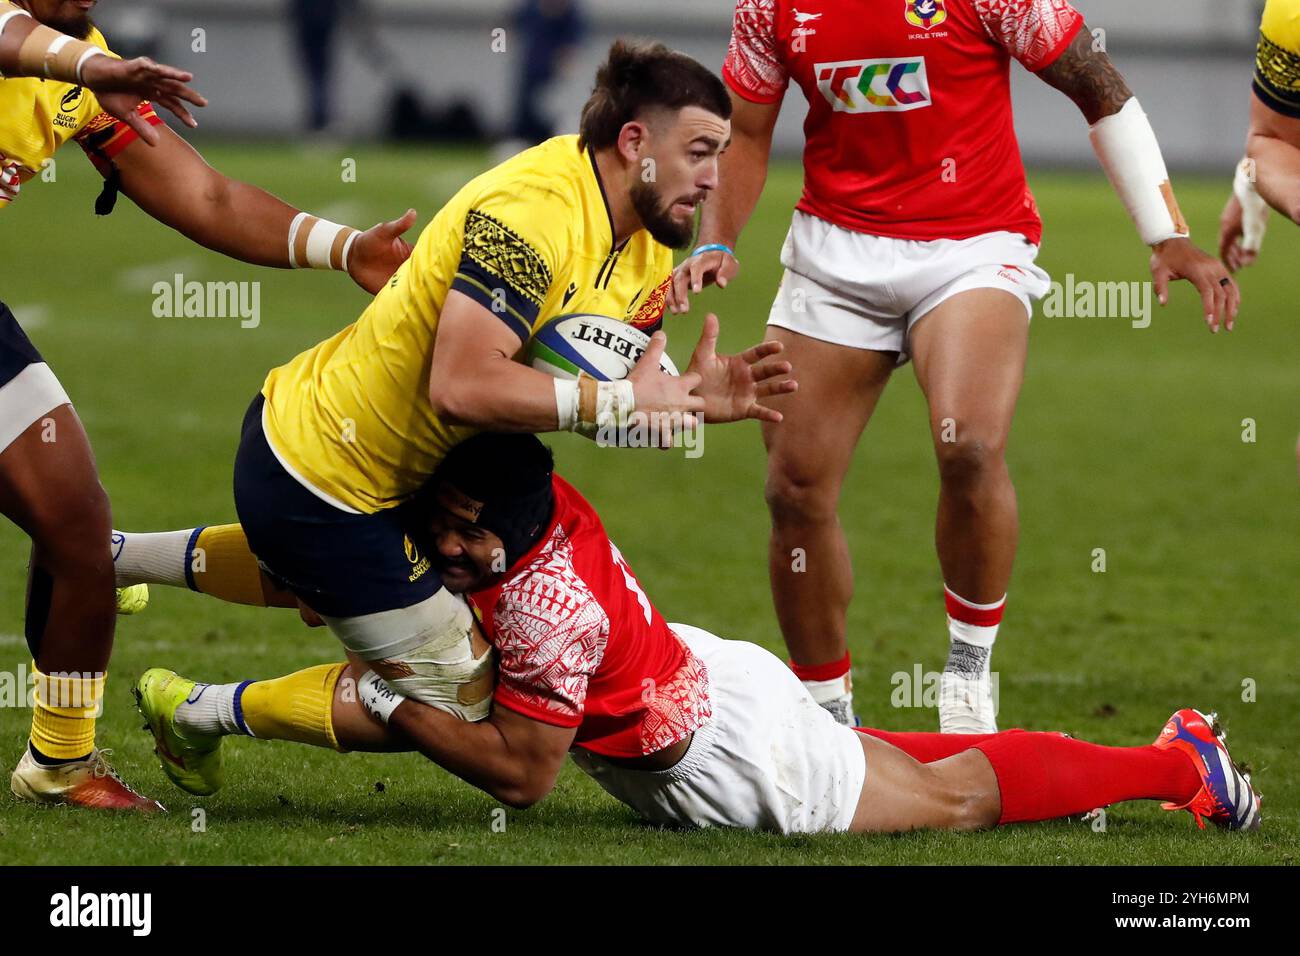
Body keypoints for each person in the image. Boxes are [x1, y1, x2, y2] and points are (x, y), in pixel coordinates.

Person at [112, 41, 795, 785]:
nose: (714, 179)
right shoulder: (533, 215)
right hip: (320, 476)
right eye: (700, 151)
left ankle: (116, 556)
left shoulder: (645, 250)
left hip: (388, 466)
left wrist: (688, 404)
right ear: (635, 142)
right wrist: (629, 397)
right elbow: (462, 386)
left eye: (720, 156)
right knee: (468, 697)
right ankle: (194, 711)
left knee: (332, 583)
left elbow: (585, 392)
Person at [134, 432, 1261, 835]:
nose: (432, 531)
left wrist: (392, 696)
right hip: (706, 674)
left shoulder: (541, 609)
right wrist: (129, 552)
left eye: (445, 523)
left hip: (727, 765)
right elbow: (301, 573)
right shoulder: (518, 514)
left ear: (479, 530)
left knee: (960, 796)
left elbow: (523, 777)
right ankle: (1152, 761)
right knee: (897, 766)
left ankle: (1180, 766)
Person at [665, 0, 1240, 732]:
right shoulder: (770, 7)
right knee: (794, 487)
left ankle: (968, 675)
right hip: (835, 254)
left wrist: (1166, 234)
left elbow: (1098, 84)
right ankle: (827, 719)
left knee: (967, 442)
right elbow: (746, 132)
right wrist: (715, 240)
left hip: (972, 245)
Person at [1, 0, 416, 811]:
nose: (87, 3)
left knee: (78, 525)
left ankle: (59, 761)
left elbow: (207, 198)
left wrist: (345, 248)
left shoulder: (83, 68)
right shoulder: (72, 59)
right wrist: (88, 65)